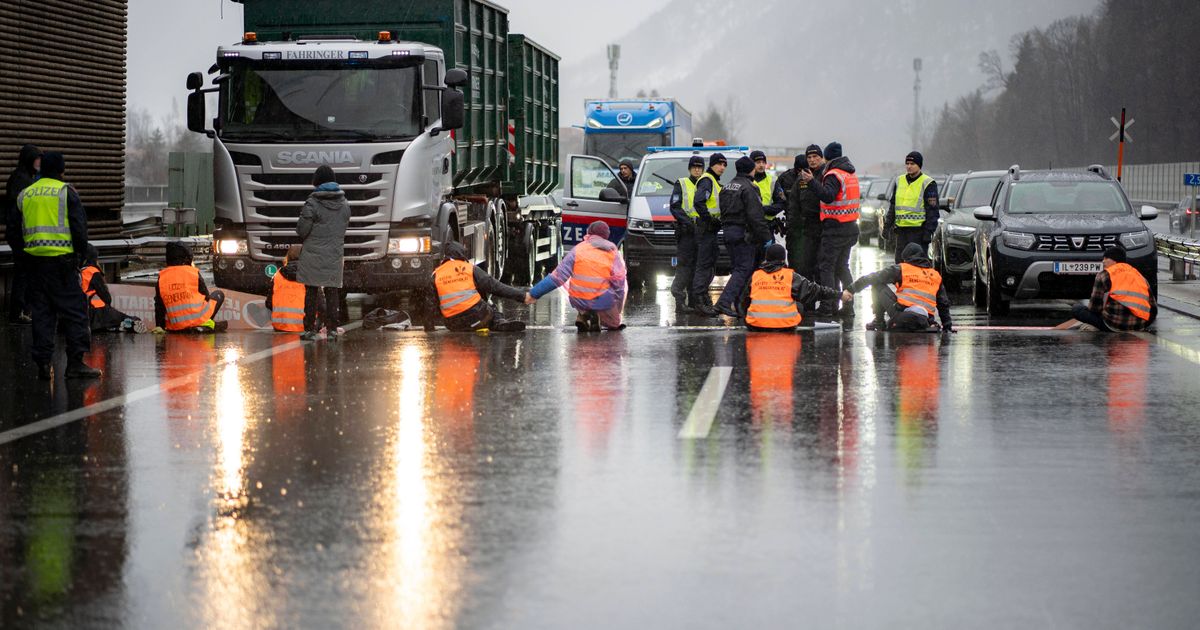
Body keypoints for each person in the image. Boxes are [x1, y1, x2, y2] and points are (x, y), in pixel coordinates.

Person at [15, 152, 101, 379]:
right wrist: (81, 255)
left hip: (33, 264)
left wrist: (24, 256)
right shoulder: (66, 193)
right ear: (61, 170)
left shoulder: (26, 194)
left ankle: (43, 363)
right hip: (62, 265)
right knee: (75, 312)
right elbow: (79, 229)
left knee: (42, 314)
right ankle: (75, 363)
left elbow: (13, 230)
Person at [529, 220, 627, 332]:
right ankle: (597, 316)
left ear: (589, 233)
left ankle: (583, 314)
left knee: (581, 288)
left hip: (579, 299)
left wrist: (533, 293)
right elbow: (620, 284)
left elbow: (556, 277)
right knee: (613, 323)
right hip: (603, 300)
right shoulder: (612, 251)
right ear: (606, 235)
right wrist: (617, 308)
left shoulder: (577, 249)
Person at [801, 141, 859, 320]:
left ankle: (827, 306)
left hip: (835, 228)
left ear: (827, 157)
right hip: (850, 227)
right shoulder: (850, 173)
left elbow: (827, 196)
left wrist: (811, 182)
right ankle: (848, 306)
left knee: (826, 267)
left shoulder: (833, 174)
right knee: (842, 268)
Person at [843, 242, 953, 333]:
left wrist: (851, 289)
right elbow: (943, 303)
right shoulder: (935, 275)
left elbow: (873, 277)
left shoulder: (902, 269)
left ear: (906, 258)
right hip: (926, 320)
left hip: (903, 315)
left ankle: (879, 321)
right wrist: (947, 326)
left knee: (877, 284)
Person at [713, 157, 773, 318]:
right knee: (743, 269)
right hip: (743, 234)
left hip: (728, 233)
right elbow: (756, 216)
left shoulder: (726, 187)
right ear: (750, 170)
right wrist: (767, 238)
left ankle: (739, 305)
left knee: (738, 269)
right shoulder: (749, 188)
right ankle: (724, 303)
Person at [296, 165, 351, 341]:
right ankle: (332, 329)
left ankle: (310, 330)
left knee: (311, 291)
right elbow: (343, 227)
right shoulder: (344, 204)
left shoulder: (312, 203)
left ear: (316, 181)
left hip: (313, 253)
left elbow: (302, 230)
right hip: (334, 252)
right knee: (332, 290)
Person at [428, 241, 528, 332]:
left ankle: (492, 323)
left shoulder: (436, 274)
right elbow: (496, 287)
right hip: (477, 317)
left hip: (453, 325)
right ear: (462, 254)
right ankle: (498, 322)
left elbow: (430, 304)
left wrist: (429, 326)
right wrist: (522, 296)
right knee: (487, 300)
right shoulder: (469, 268)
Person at [740, 244, 841, 331]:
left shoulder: (756, 276)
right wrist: (839, 295)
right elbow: (815, 290)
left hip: (756, 326)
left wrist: (749, 318)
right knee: (799, 306)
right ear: (783, 259)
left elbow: (744, 301)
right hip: (785, 326)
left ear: (766, 259)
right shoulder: (791, 277)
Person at [1063, 246, 1156, 332]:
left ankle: (1100, 326)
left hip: (1113, 325)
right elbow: (1153, 307)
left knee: (1077, 309)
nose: (1103, 261)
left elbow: (1094, 308)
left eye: (1106, 258)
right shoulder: (1138, 275)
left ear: (1115, 261)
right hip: (1140, 325)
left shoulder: (1104, 275)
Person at [5, 144, 41, 325]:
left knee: (24, 273)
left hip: (18, 233)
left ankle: (22, 311)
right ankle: (18, 312)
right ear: (29, 159)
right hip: (20, 234)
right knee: (23, 274)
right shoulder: (22, 179)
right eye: (36, 158)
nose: (39, 162)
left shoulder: (23, 177)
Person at [155, 242, 226, 333]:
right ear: (187, 258)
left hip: (176, 327)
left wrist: (159, 327)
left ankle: (201, 325)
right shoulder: (193, 273)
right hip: (198, 320)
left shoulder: (162, 277)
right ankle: (204, 324)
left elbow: (159, 306)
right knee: (218, 294)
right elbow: (206, 297)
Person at [884, 151, 939, 263]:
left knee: (917, 266)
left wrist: (928, 233)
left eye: (912, 164)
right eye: (907, 163)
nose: (909, 166)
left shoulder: (928, 183)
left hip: (918, 233)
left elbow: (932, 211)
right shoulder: (899, 181)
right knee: (899, 265)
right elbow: (893, 206)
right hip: (901, 232)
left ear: (919, 165)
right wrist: (887, 226)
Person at [669, 155, 706, 313]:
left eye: (700, 167)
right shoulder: (682, 183)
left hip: (702, 231)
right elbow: (675, 206)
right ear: (690, 168)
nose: (697, 169)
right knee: (684, 267)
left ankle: (694, 301)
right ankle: (679, 302)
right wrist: (688, 223)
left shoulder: (706, 184)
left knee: (698, 267)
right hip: (687, 232)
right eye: (694, 167)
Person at [782, 145, 825, 281]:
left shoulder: (826, 175)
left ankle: (827, 300)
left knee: (823, 268)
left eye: (815, 157)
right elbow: (793, 205)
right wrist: (793, 229)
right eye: (809, 157)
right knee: (806, 267)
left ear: (821, 158)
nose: (812, 160)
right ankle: (808, 301)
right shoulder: (801, 179)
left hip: (823, 228)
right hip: (806, 230)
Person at [691, 153, 727, 316]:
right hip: (705, 228)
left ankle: (704, 297)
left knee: (710, 265)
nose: (722, 167)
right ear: (712, 165)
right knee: (704, 265)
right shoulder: (707, 180)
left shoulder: (715, 183)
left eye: (724, 165)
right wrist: (709, 219)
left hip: (711, 230)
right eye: (719, 164)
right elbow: (699, 202)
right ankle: (699, 301)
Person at [80, 245, 145, 333]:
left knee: (107, 324)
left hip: (81, 315)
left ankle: (115, 327)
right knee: (122, 317)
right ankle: (133, 322)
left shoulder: (78, 272)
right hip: (97, 312)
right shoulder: (92, 271)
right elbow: (106, 297)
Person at [265, 244, 305, 333]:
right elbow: (321, 306)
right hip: (305, 326)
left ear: (288, 256)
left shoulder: (277, 275)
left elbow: (269, 303)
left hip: (280, 326)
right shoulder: (310, 274)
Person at [750, 150, 779, 231]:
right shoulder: (746, 180)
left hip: (767, 226)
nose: (761, 165)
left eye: (763, 162)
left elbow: (781, 203)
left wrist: (766, 210)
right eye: (758, 162)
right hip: (749, 226)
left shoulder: (773, 180)